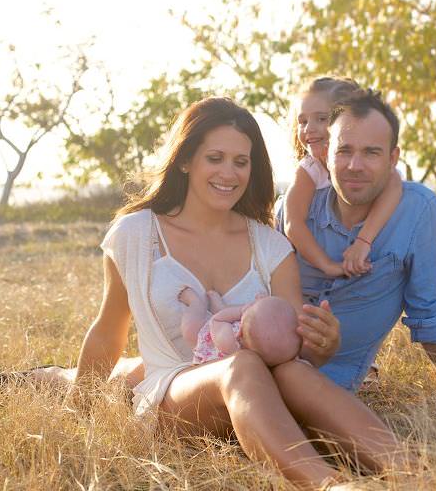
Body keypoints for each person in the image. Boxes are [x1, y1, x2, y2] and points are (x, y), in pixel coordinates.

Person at [72, 96, 410, 489]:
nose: (228, 173)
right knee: (243, 365)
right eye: (214, 158)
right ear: (186, 160)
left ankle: (414, 470)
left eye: (241, 161)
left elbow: (293, 350)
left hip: (262, 405)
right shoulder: (136, 234)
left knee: (292, 373)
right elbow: (108, 331)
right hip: (174, 395)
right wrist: (77, 415)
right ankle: (331, 485)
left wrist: (323, 346)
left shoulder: (270, 245)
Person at [276, 87, 436, 398]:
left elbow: (429, 311)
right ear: (328, 151)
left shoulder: (417, 210)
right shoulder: (292, 208)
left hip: (337, 384)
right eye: (345, 150)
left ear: (393, 158)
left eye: (371, 152)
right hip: (271, 367)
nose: (355, 165)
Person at [285, 77, 403, 278]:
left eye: (321, 119)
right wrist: (328, 265)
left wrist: (363, 241)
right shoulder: (309, 168)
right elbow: (292, 223)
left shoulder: (376, 169)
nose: (309, 128)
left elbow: (394, 186)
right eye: (302, 121)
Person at [179, 288, 301, 367]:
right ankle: (221, 306)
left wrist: (241, 311)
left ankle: (196, 303)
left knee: (190, 329)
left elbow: (217, 320)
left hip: (213, 338)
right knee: (258, 315)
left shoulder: (230, 343)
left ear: (240, 333)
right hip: (236, 327)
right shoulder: (275, 354)